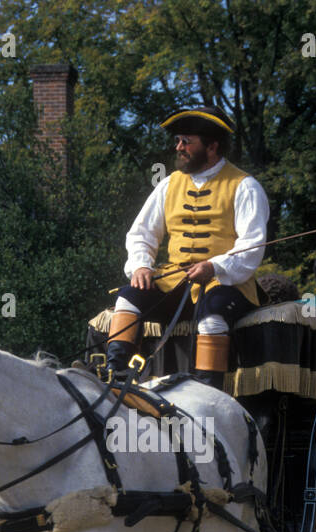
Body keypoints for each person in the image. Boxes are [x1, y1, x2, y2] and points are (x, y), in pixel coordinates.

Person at [105, 105, 268, 389]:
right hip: (175, 281)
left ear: (212, 146)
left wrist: (215, 266)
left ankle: (208, 389)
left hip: (227, 284)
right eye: (178, 141)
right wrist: (142, 265)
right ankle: (114, 377)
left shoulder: (245, 186)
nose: (178, 147)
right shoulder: (168, 185)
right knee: (129, 295)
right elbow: (141, 233)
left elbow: (252, 246)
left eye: (186, 141)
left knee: (213, 310)